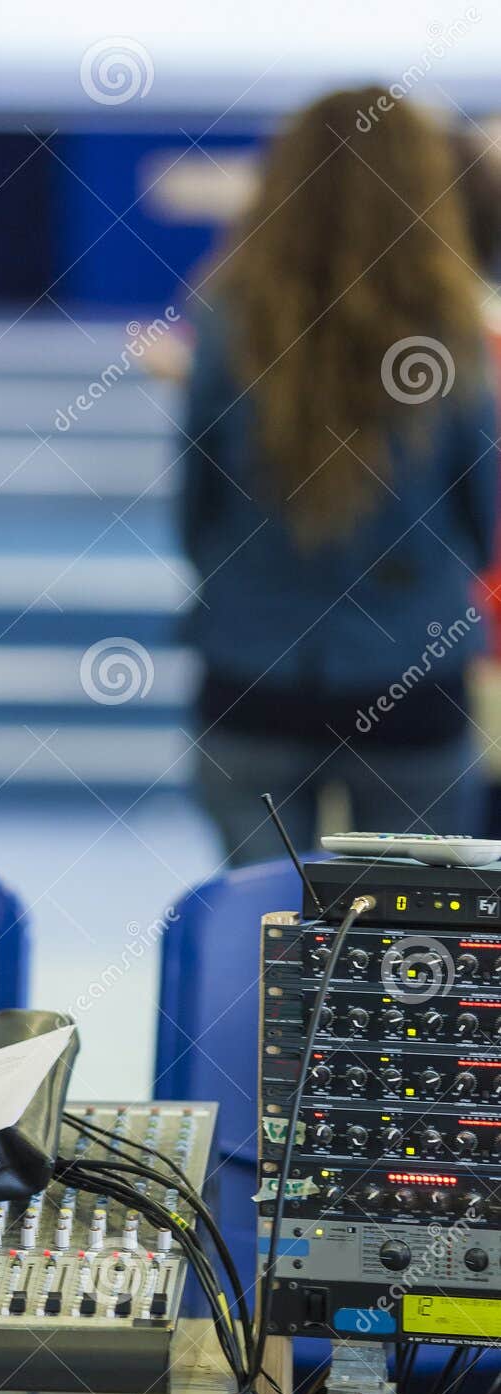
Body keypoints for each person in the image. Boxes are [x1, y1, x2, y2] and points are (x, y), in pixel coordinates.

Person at [180, 89, 498, 865]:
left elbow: (195, 513)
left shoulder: (226, 322)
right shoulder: (453, 330)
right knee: (408, 931)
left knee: (262, 923)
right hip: (409, 676)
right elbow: (479, 515)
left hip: (251, 675)